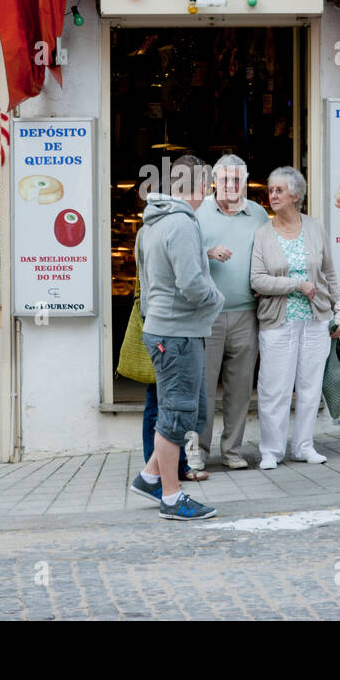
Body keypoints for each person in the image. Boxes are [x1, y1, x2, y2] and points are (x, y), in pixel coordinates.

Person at [128, 155, 224, 520]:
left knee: (181, 410)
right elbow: (192, 283)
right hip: (178, 333)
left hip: (165, 329)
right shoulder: (182, 223)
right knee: (176, 415)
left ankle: (150, 476)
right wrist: (218, 300)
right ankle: (171, 497)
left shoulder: (153, 222)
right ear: (200, 186)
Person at [250, 166, 340, 468]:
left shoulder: (315, 228)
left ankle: (304, 446)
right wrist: (296, 285)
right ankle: (271, 451)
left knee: (310, 387)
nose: (273, 195)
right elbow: (258, 280)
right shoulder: (263, 234)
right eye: (271, 189)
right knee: (274, 388)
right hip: (278, 322)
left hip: (316, 320)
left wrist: (339, 313)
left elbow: (329, 273)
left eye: (279, 190)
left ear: (296, 195)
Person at [195, 154, 269, 470]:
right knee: (204, 388)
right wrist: (207, 252)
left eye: (237, 179)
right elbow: (181, 255)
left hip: (246, 314)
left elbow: (271, 252)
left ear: (245, 181)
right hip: (207, 315)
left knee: (240, 389)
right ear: (215, 181)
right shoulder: (198, 213)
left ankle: (232, 451)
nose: (231, 185)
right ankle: (198, 452)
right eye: (225, 179)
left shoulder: (258, 214)